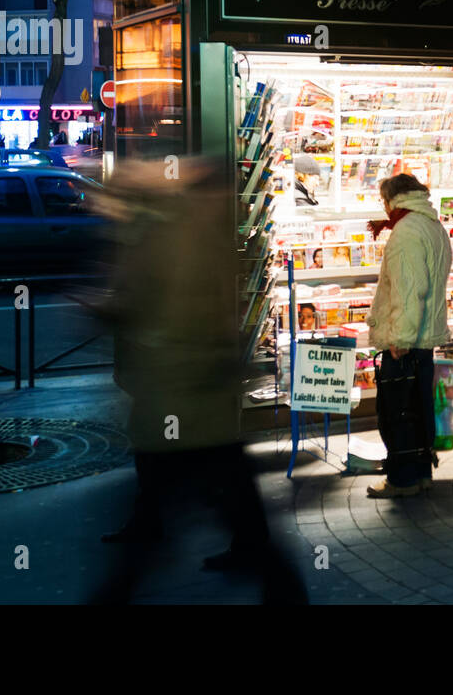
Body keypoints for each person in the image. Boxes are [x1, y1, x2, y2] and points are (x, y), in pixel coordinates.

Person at [94, 156, 307, 602]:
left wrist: (104, 308)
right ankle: (279, 586)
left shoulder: (170, 237)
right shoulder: (198, 234)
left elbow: (150, 306)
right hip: (197, 406)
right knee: (235, 513)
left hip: (181, 404)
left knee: (178, 522)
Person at [365, 173, 453, 497]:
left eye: (383, 200)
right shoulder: (431, 225)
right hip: (424, 338)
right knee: (419, 410)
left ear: (393, 199)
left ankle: (401, 481)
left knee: (398, 412)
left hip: (408, 341)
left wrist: (400, 337)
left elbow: (410, 289)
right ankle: (421, 474)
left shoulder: (406, 232)